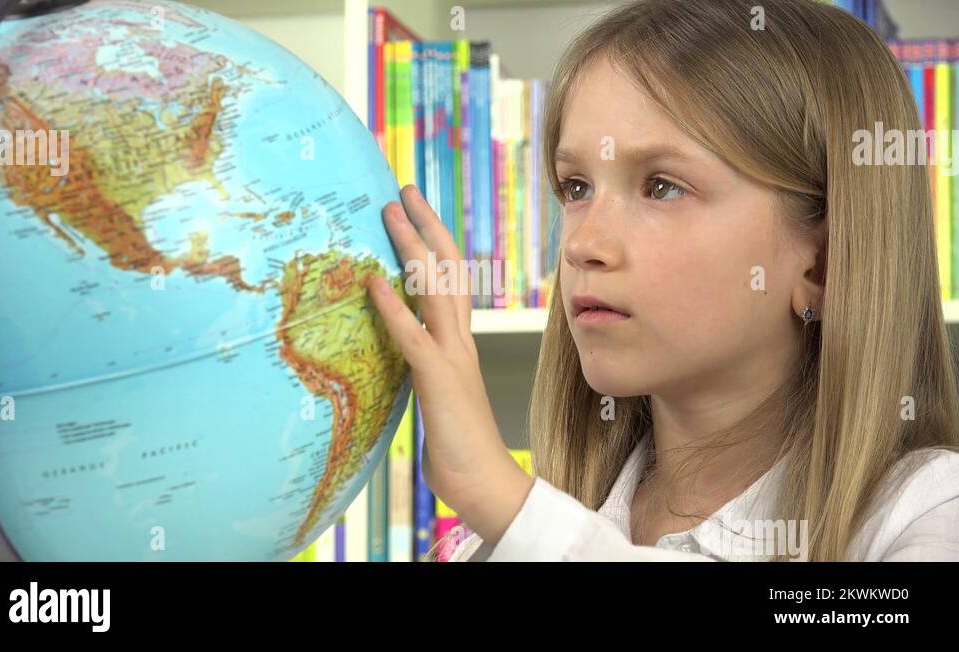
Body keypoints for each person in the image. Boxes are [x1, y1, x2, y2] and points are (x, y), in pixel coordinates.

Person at [365, 0, 959, 561]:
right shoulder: (494, 540)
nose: (580, 245)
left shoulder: (930, 511)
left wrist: (506, 503)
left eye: (662, 187)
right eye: (575, 188)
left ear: (821, 265)